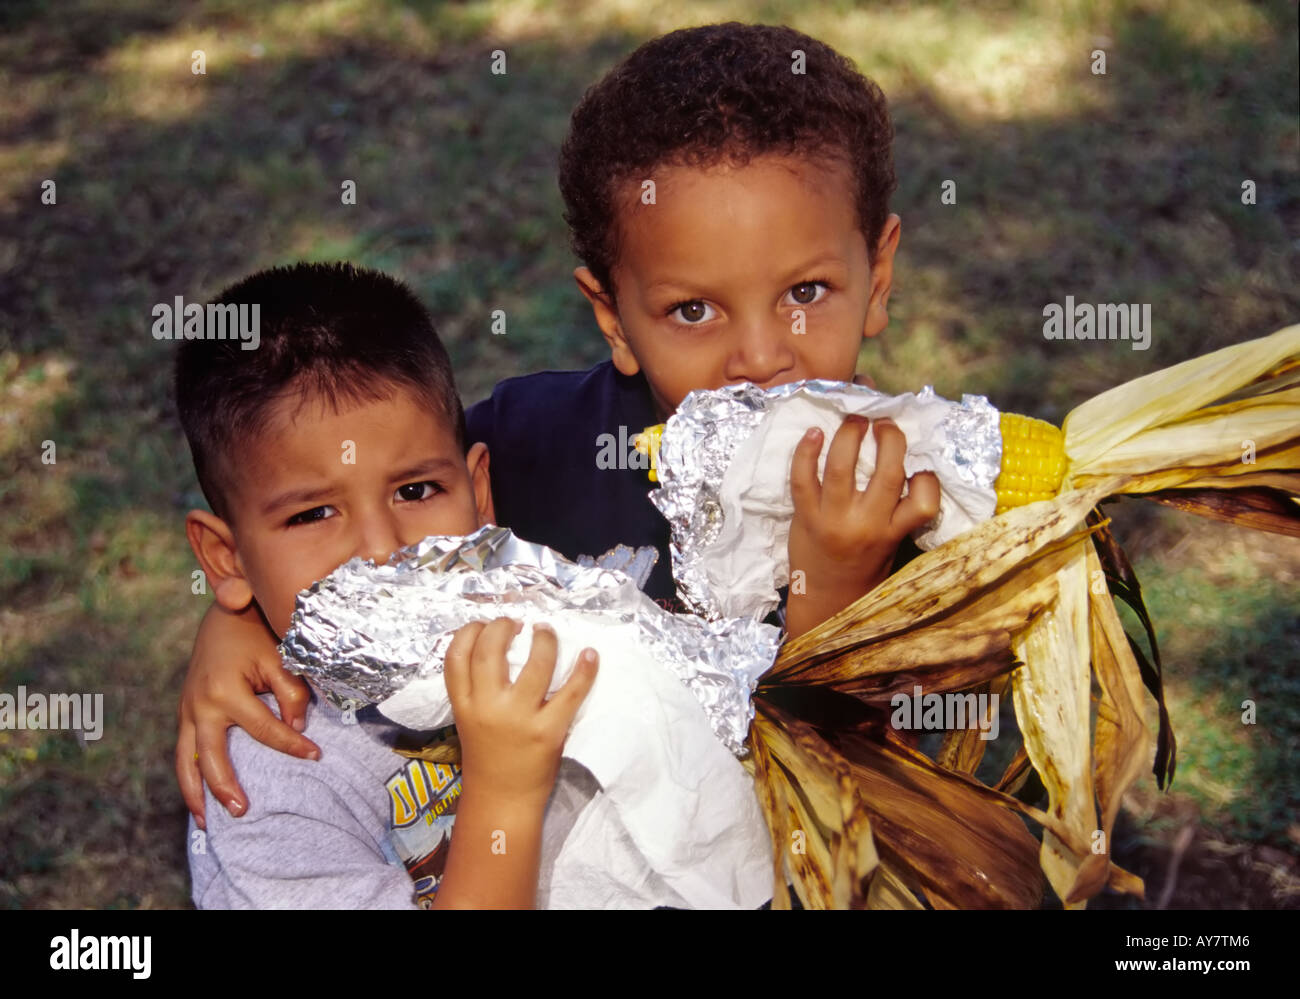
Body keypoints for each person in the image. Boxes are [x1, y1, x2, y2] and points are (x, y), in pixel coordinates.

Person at [175, 22, 940, 828]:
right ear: (613, 319)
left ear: (877, 276)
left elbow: (876, 819)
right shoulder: (529, 443)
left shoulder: (926, 513)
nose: (758, 355)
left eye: (807, 293)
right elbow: (341, 506)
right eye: (692, 309)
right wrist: (234, 624)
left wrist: (839, 593)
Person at [176, 262, 597, 907]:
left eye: (416, 490)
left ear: (478, 496)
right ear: (227, 560)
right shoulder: (272, 785)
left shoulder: (536, 620)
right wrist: (505, 791)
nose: (381, 549)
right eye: (313, 514)